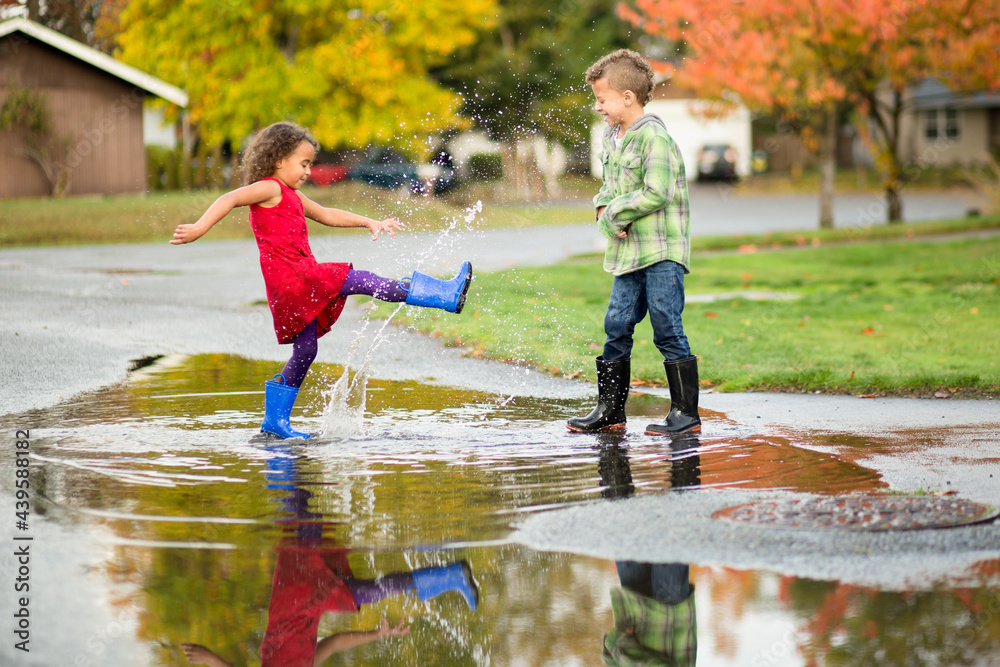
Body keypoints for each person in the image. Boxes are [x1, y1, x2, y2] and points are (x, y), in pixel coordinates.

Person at [172, 121, 473, 439]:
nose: (306, 171)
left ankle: (275, 422)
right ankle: (443, 294)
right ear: (278, 160)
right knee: (363, 280)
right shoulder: (271, 188)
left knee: (305, 351)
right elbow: (229, 198)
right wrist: (199, 227)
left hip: (289, 283)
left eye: (309, 164)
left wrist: (368, 221)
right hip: (298, 276)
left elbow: (327, 214)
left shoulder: (292, 196)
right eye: (302, 164)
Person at [567, 49, 701, 436]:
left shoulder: (654, 138)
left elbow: (656, 193)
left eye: (602, 99)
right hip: (628, 254)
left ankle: (685, 413)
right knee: (617, 323)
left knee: (665, 322)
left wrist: (614, 213)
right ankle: (610, 411)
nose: (598, 107)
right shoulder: (612, 140)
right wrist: (603, 211)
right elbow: (606, 192)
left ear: (627, 98)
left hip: (661, 251)